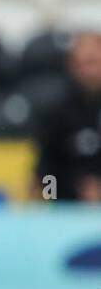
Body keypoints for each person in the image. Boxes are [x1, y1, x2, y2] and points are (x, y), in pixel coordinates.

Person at [33, 31, 101, 202]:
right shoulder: (56, 113)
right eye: (80, 64)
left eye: (92, 63)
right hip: (67, 210)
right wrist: (73, 190)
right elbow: (45, 172)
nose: (87, 71)